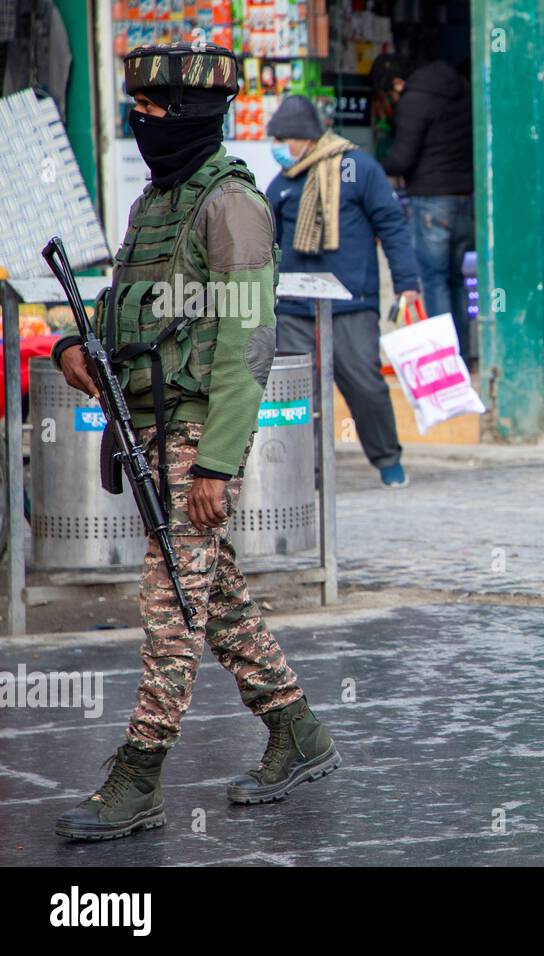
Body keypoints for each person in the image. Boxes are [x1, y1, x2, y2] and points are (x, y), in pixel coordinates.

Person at [49, 43, 338, 841]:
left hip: (196, 426)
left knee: (172, 600)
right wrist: (71, 349)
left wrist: (216, 462)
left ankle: (139, 776)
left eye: (151, 112)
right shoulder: (157, 203)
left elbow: (247, 343)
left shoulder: (231, 204)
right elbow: (129, 307)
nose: (141, 124)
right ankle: (297, 731)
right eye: (134, 111)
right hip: (148, 422)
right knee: (215, 596)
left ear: (189, 115)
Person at [266, 94, 422, 488]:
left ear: (306, 137)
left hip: (351, 302)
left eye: (284, 139)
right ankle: (306, 473)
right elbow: (265, 241)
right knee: (299, 396)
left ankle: (388, 461)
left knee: (364, 384)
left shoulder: (358, 169)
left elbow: (391, 225)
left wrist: (407, 285)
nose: (278, 148)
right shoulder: (281, 183)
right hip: (295, 305)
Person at [373, 56, 475, 356]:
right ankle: (463, 356)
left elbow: (402, 160)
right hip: (464, 198)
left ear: (397, 84)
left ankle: (445, 358)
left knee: (434, 280)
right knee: (457, 279)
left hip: (431, 201)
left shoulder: (413, 101)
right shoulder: (462, 88)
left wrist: (373, 166)